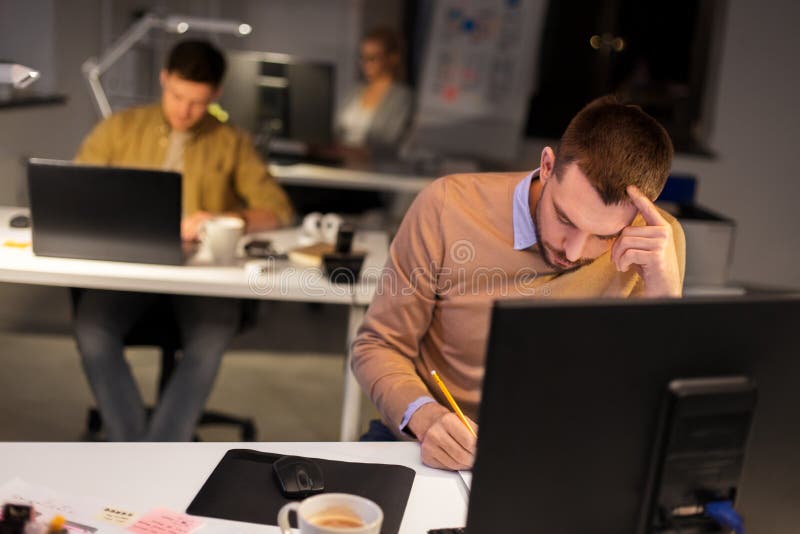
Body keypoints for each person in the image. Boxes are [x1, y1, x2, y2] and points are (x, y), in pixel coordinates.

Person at [351, 95, 686, 469]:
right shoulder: (447, 207)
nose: (573, 252)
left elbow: (653, 409)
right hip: (432, 440)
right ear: (546, 166)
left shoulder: (656, 245)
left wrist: (665, 300)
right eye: (565, 219)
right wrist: (424, 416)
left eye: (603, 237)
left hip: (561, 458)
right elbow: (376, 345)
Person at [72, 40, 293, 441]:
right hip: (131, 268)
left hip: (201, 276)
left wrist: (226, 218)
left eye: (197, 102)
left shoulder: (231, 142)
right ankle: (132, 444)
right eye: (177, 95)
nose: (184, 110)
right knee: (91, 326)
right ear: (163, 79)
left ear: (216, 95)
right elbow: (79, 190)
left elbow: (277, 209)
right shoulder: (120, 129)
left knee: (212, 334)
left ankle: (163, 446)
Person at [334, 26, 413, 159]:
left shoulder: (402, 97)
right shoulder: (355, 91)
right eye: (362, 58)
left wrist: (352, 152)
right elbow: (336, 130)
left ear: (392, 58)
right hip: (341, 162)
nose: (365, 64)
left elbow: (389, 144)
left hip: (376, 168)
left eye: (372, 58)